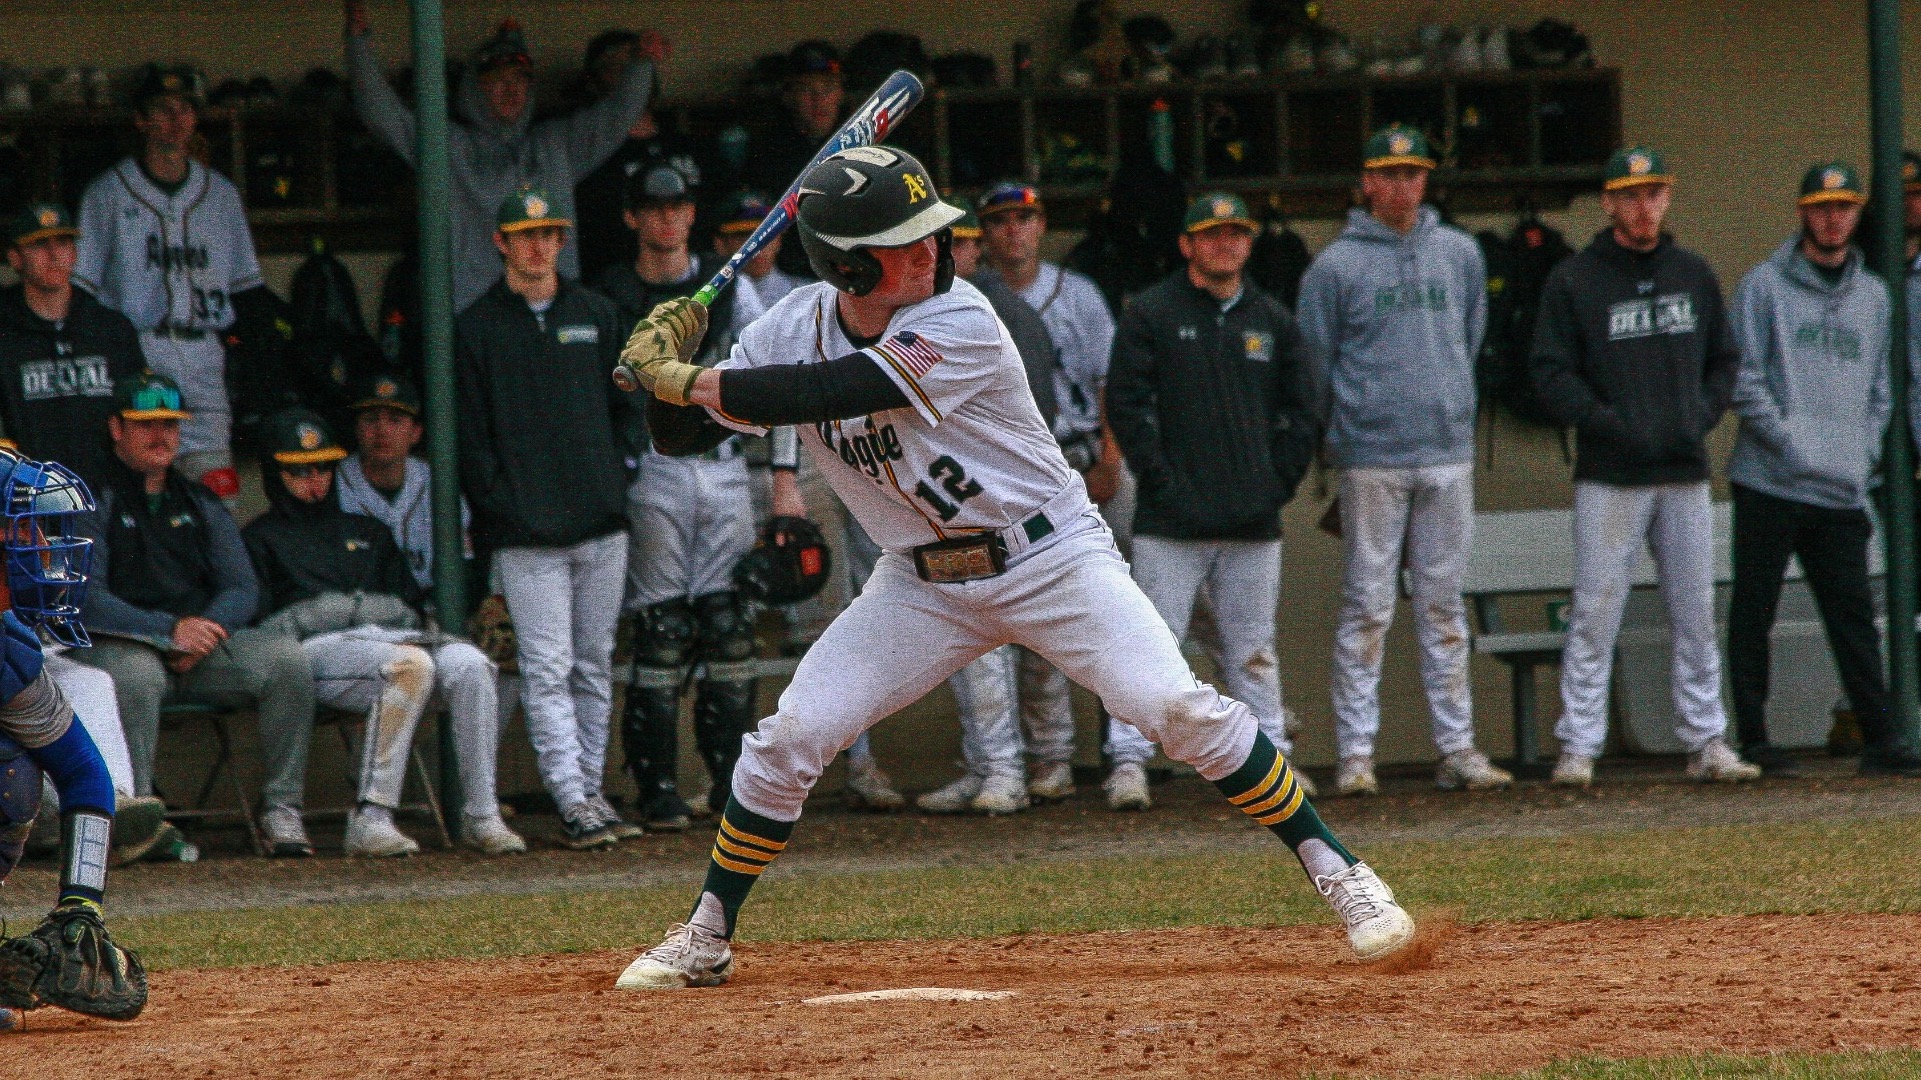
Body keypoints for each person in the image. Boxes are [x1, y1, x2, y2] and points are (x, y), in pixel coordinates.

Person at [608, 145, 1414, 990]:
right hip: (920, 583)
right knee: (789, 738)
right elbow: (689, 433)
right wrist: (662, 370)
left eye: (933, 233)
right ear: (845, 263)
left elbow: (828, 393)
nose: (934, 250)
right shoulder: (789, 326)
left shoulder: (961, 320)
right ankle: (706, 934)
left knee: (1175, 709)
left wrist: (688, 378)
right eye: (905, 240)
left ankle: (1344, 876)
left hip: (1049, 556)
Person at [1529, 146, 1758, 786]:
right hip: (1610, 474)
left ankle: (1707, 739)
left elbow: (1724, 360)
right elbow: (1549, 372)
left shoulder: (1692, 272)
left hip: (1684, 468)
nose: (1643, 206)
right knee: (1596, 611)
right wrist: (1606, 421)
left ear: (1667, 197)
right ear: (1607, 202)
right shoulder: (1576, 279)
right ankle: (1578, 747)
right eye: (1630, 195)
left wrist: (1699, 415)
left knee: (1694, 612)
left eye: (1653, 193)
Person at [1295, 125, 1508, 797]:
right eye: (1389, 173)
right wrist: (1340, 441)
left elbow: (1469, 338)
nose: (1402, 185)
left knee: (1443, 607)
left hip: (1444, 450)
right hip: (1371, 456)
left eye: (1413, 173)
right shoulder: (1334, 266)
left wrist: (1449, 407)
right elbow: (1315, 363)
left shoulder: (1459, 253)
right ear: (1366, 182)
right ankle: (1356, 754)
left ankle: (1457, 748)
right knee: (1366, 607)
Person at [1106, 193, 1320, 811]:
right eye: (1212, 234)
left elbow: (1304, 411)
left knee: (1253, 649)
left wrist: (1276, 483)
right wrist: (1161, 480)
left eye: (1236, 234)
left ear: (1249, 243)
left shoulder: (1274, 319)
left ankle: (1271, 763)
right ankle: (1129, 761)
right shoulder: (1152, 312)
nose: (1225, 244)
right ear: (1187, 245)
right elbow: (1126, 403)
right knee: (1150, 645)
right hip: (1170, 521)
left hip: (1252, 520)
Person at [242, 409, 527, 856]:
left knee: (472, 664)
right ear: (274, 473)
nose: (314, 479)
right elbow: (263, 626)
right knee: (409, 665)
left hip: (386, 639)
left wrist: (345, 609)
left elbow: (408, 607)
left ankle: (481, 813)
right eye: (298, 471)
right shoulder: (260, 537)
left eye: (322, 468)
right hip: (313, 654)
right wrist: (345, 610)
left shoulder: (366, 530)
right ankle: (371, 818)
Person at [69, 372, 320, 856]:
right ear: (116, 428)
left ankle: (283, 812)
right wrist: (168, 632)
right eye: (145, 424)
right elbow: (87, 598)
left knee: (287, 661)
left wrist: (205, 632)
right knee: (135, 675)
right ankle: (139, 822)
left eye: (170, 424)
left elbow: (243, 586)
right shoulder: (91, 494)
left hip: (198, 648)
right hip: (125, 641)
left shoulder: (197, 498)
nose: (161, 436)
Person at [1727, 165, 1921, 778]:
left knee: (1854, 617)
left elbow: (1881, 394)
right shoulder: (1763, 286)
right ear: (1802, 213)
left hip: (1840, 486)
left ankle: (1882, 737)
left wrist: (1859, 455)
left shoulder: (1873, 296)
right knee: (1754, 609)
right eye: (1820, 208)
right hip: (1770, 481)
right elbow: (1744, 376)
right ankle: (1755, 737)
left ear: (1857, 215)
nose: (1831, 219)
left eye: (1842, 208)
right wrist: (1791, 445)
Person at [593, 164, 772, 830]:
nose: (667, 218)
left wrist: (779, 479)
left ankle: (729, 785)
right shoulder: (611, 293)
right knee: (662, 632)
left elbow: (769, 370)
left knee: (728, 626)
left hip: (723, 463)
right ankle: (658, 787)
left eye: (677, 206)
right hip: (652, 468)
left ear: (692, 214)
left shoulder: (728, 286)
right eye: (653, 207)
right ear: (633, 216)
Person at [456, 187, 634, 849]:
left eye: (549, 234)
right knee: (547, 667)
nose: (538, 246)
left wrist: (615, 478)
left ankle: (590, 790)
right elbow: (471, 439)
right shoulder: (475, 325)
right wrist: (504, 504)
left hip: (600, 519)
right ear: (501, 241)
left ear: (561, 240)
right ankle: (570, 798)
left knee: (593, 664)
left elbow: (627, 410)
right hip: (527, 532)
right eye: (525, 235)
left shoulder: (597, 312)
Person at [344, 2, 659, 312]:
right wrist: (358, 43)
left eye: (521, 80)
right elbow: (383, 116)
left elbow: (617, 116)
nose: (512, 90)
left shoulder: (556, 144)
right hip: (478, 317)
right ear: (474, 89)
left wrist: (642, 66)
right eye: (499, 81)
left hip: (555, 316)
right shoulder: (448, 146)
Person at [976, 181, 1121, 804]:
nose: (1014, 229)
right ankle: (1049, 757)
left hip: (1083, 454)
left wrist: (1112, 459)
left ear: (1042, 226)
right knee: (1026, 615)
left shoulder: (1078, 293)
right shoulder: (969, 299)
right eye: (1001, 219)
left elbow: (1110, 382)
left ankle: (1128, 756)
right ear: (984, 232)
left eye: (1025, 218)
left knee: (1112, 607)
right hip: (1010, 471)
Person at [914, 200, 1059, 815]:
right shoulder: (917, 316)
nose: (955, 255)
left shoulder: (1002, 311)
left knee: (1018, 640)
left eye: (963, 244)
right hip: (947, 503)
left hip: (1007, 501)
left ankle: (1023, 766)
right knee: (966, 645)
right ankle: (987, 765)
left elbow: (1035, 416)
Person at [0, 447, 149, 1028]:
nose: (41, 545)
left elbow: (84, 774)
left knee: (10, 768)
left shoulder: (7, 651)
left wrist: (80, 904)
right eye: (21, 527)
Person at [73, 65, 266, 499]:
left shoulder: (221, 195)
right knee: (144, 482)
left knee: (215, 488)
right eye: (163, 109)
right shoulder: (107, 194)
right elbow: (80, 291)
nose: (176, 119)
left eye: (185, 109)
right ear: (141, 120)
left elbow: (247, 290)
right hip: (138, 349)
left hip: (204, 353)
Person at [0, 202, 144, 487]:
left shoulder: (111, 329)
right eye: (40, 245)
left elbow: (138, 417)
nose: (54, 255)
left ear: (75, 253)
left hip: (107, 496)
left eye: (63, 243)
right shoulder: (5, 333)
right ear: (15, 258)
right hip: (28, 499)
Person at [571, 28, 707, 284]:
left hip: (695, 282)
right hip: (621, 290)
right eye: (617, 67)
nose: (630, 75)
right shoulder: (587, 156)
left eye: (638, 64)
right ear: (593, 80)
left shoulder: (685, 144)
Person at [334, 370, 468, 599]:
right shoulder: (334, 486)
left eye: (395, 420)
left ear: (416, 433)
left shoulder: (438, 485)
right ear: (357, 429)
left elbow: (464, 564)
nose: (382, 431)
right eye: (370, 419)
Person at [742, 41, 845, 280]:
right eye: (806, 89)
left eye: (828, 88)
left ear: (841, 93)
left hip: (851, 274)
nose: (818, 100)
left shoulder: (865, 142)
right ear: (788, 96)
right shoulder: (767, 151)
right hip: (787, 275)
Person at [714, 192, 806, 312]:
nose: (757, 246)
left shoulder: (806, 295)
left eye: (766, 236)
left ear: (779, 238)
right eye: (744, 237)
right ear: (721, 244)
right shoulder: (711, 299)